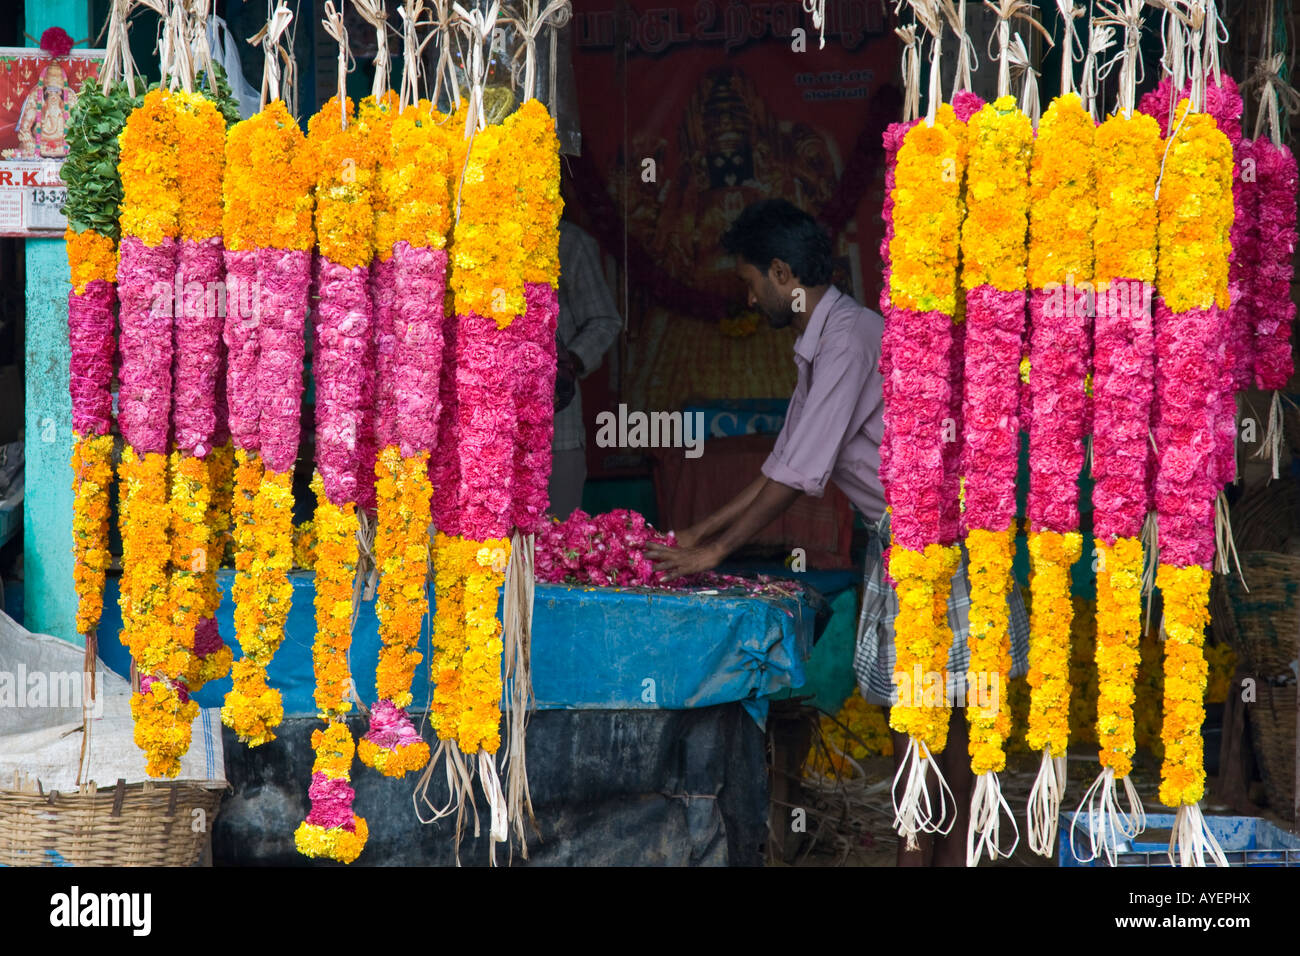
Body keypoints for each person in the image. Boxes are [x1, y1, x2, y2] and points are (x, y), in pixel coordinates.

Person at [644, 198, 1029, 866]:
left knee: (940, 724)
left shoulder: (848, 338)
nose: (747, 296)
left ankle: (932, 859)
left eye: (750, 281)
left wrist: (713, 549)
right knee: (928, 720)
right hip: (910, 543)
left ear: (783, 272)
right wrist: (696, 536)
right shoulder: (825, 338)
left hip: (941, 548)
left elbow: (799, 473)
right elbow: (783, 461)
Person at [550, 219, 623, 519]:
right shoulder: (466, 235)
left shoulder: (568, 242)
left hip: (557, 428)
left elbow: (604, 320)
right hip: (480, 430)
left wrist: (566, 365)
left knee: (553, 538)